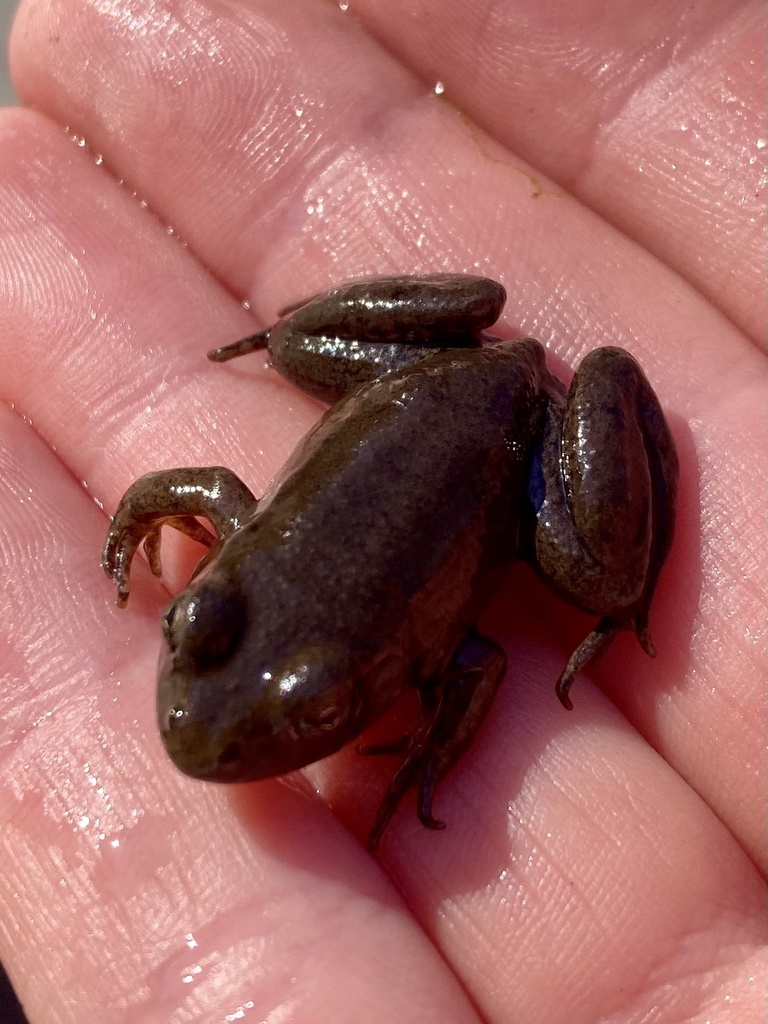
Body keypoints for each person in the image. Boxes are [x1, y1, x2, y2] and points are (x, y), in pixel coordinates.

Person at [0, 1, 765, 1021]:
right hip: (426, 379)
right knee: (297, 344)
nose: (194, 714)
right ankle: (290, 345)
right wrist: (142, 508)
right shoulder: (245, 535)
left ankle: (614, 559)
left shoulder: (410, 641)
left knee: (600, 575)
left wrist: (437, 737)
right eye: (203, 622)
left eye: (318, 706)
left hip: (517, 436)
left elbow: (479, 659)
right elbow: (207, 493)